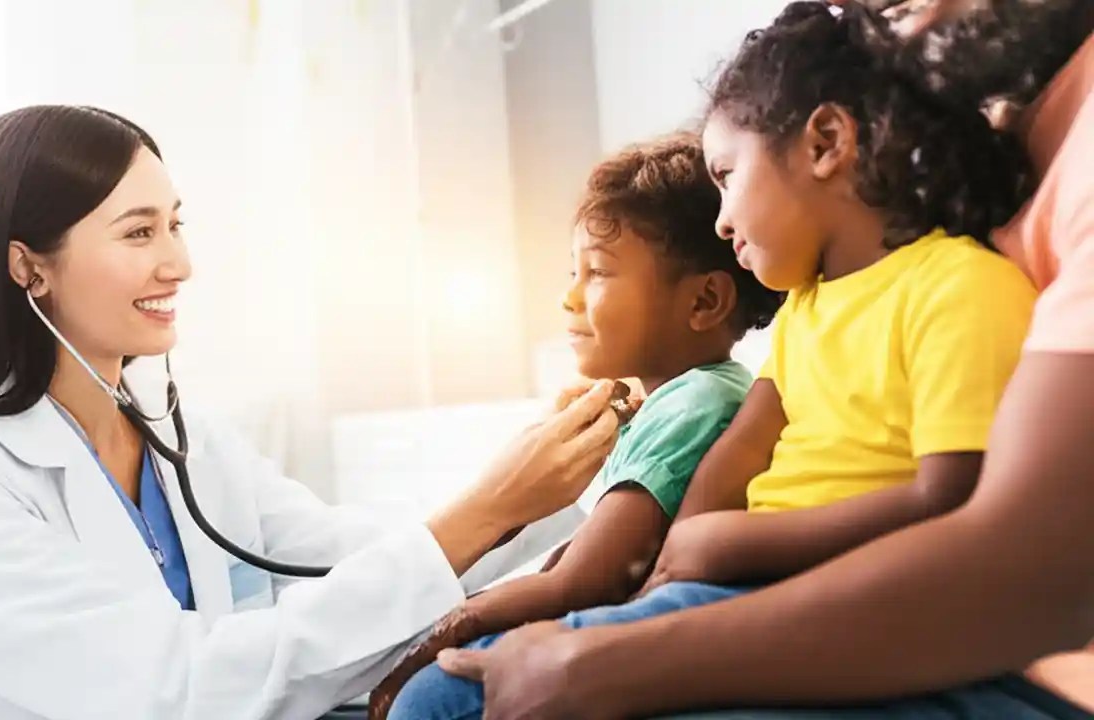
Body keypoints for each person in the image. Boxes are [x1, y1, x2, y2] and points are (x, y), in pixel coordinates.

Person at [0, 105, 622, 720]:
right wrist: (491, 507)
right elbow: (167, 690)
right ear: (26, 265)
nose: (179, 263)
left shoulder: (180, 437)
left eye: (175, 224)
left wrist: (559, 485)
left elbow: (345, 560)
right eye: (138, 232)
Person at [431, 1, 1094, 717]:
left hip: (994, 666)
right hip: (834, 603)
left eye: (726, 177)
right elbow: (732, 470)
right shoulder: (999, 146)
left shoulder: (962, 281)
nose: (723, 222)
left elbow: (1020, 558)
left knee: (453, 699)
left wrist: (621, 649)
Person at [371, 133, 782, 719]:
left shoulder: (697, 402)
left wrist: (440, 634)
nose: (569, 299)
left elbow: (582, 584)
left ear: (704, 302)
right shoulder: (685, 398)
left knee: (430, 701)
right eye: (574, 271)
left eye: (598, 273)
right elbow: (574, 560)